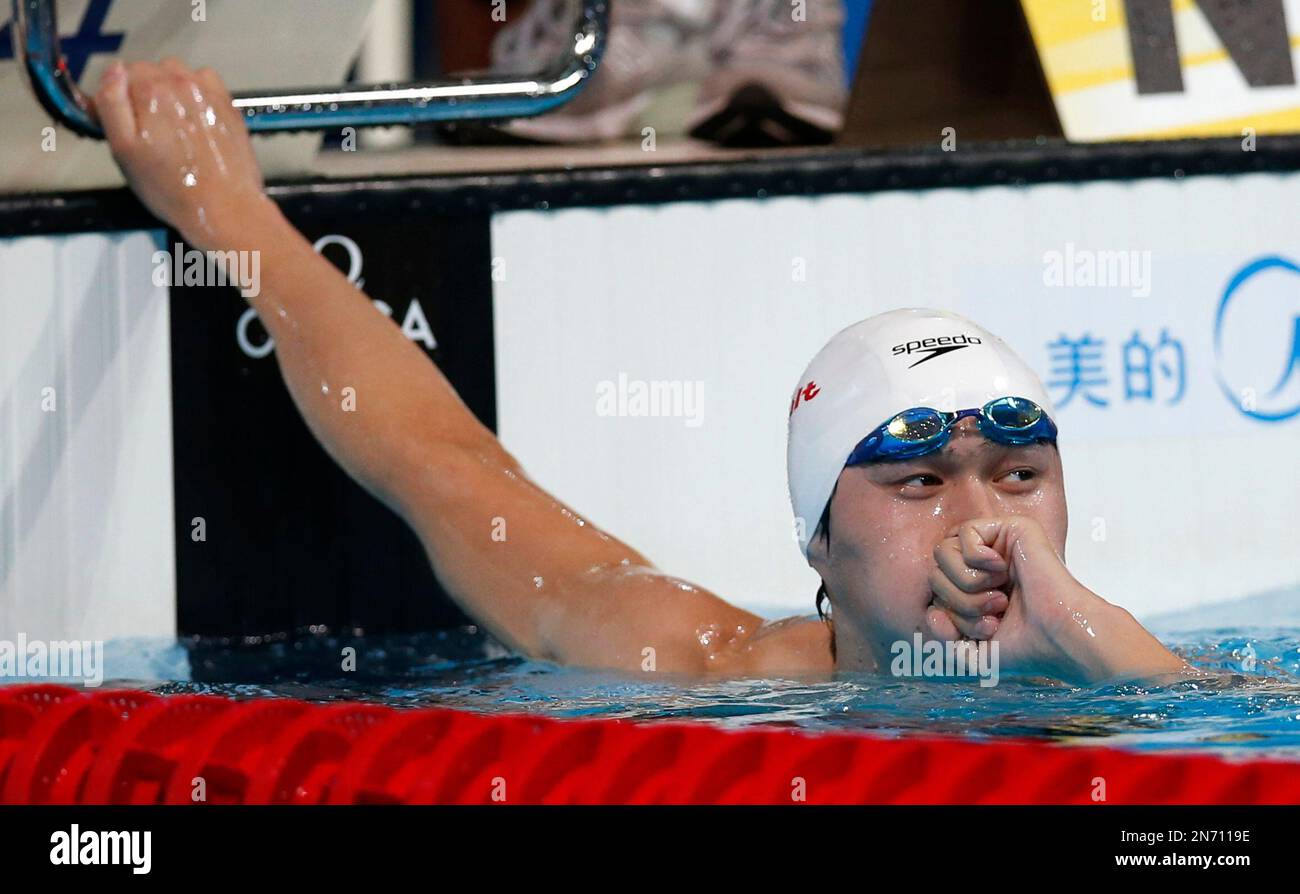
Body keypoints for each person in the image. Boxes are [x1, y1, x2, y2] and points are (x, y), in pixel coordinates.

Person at [92, 59, 1192, 684]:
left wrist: (1098, 652)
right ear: (814, 533)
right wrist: (224, 210)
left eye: (1016, 476)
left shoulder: (1141, 683)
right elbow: (440, 465)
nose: (980, 527)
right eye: (917, 480)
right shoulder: (693, 668)